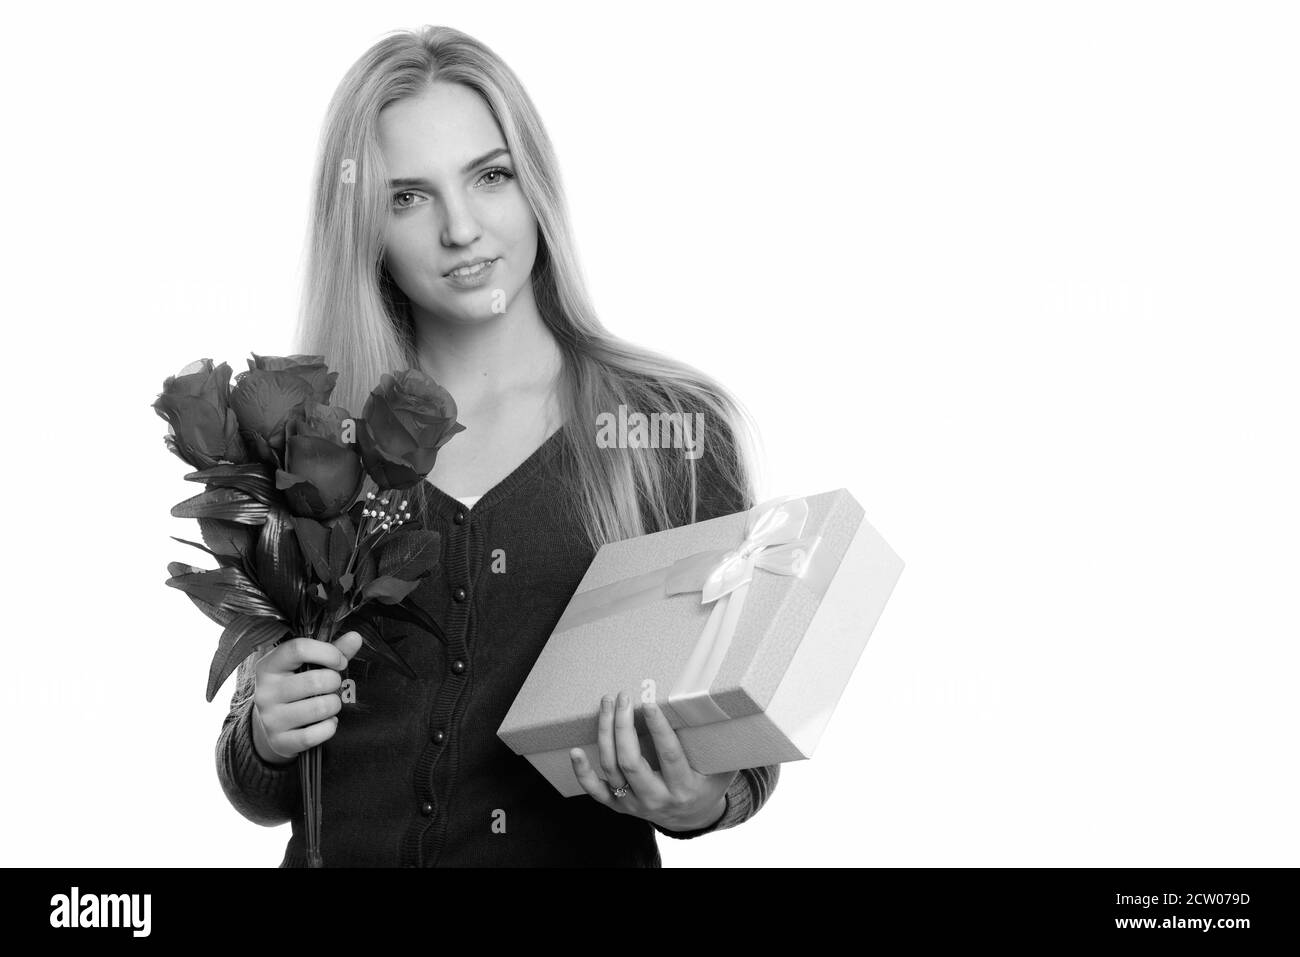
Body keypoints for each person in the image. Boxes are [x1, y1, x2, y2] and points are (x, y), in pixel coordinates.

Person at [215, 24, 779, 867]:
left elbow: (745, 757)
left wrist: (701, 799)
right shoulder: (313, 437)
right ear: (362, 226)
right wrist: (263, 732)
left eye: (490, 176)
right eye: (407, 196)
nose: (461, 229)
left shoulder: (672, 430)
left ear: (534, 184)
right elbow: (257, 781)